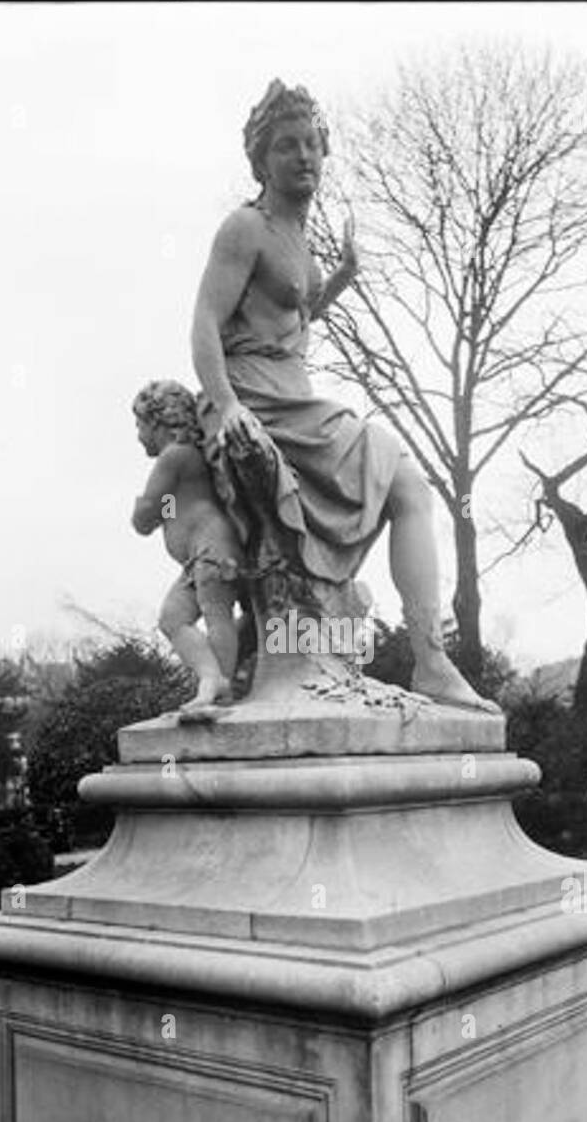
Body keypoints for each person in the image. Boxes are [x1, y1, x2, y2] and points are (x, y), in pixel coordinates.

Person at [190, 79, 495, 712]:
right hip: (255, 400)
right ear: (261, 160)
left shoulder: (299, 237)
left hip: (292, 394)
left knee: (411, 488)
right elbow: (203, 325)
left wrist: (342, 280)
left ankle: (431, 662)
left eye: (311, 145)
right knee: (407, 480)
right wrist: (226, 406)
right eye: (285, 146)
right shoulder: (244, 228)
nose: (302, 156)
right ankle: (420, 660)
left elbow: (293, 324)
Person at [131, 380, 241, 710]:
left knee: (216, 614)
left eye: (139, 425)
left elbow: (146, 512)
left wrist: (145, 512)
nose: (137, 436)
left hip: (213, 548)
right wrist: (156, 514)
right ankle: (215, 678)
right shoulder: (188, 461)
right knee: (172, 619)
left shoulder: (175, 456)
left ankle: (220, 684)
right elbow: (170, 505)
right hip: (197, 559)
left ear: (157, 422)